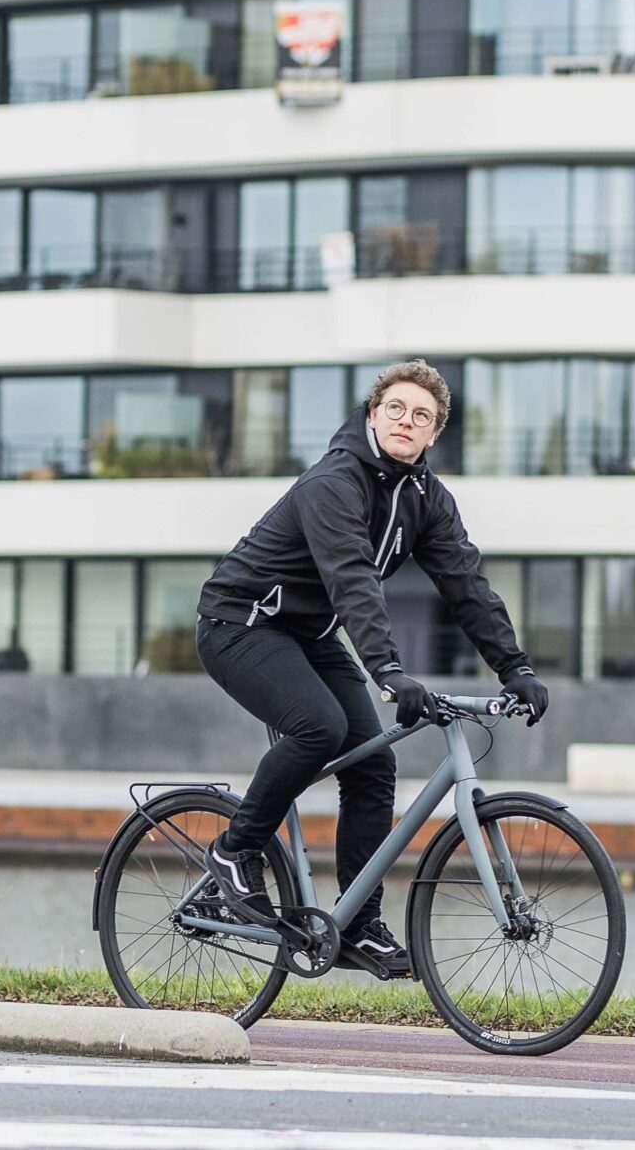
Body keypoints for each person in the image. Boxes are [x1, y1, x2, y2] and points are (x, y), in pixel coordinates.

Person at [192, 359, 550, 980]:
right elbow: (352, 577)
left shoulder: (426, 499)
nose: (406, 423)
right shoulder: (334, 482)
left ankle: (357, 927)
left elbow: (465, 584)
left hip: (312, 635)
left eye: (422, 416)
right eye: (396, 410)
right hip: (241, 623)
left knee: (373, 762)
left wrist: (513, 667)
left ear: (434, 433)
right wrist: (388, 670)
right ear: (372, 413)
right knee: (319, 728)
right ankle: (234, 850)